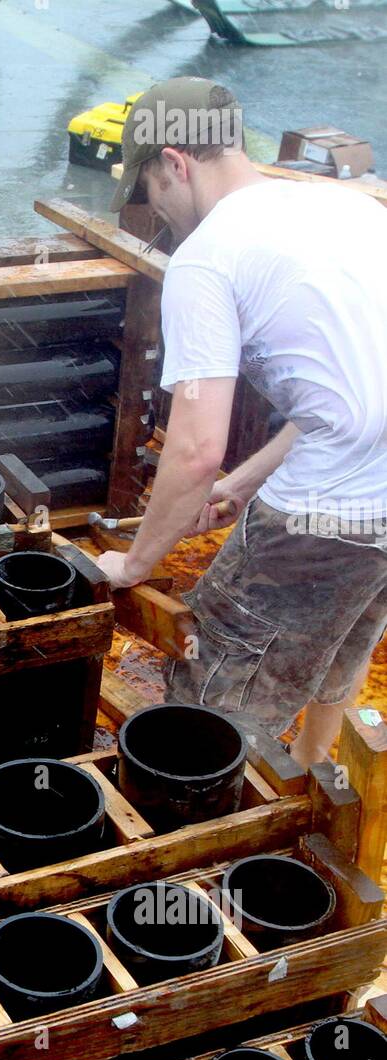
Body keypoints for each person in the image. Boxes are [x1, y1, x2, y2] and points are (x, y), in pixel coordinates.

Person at [100, 77, 387, 768]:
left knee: (210, 692)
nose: (159, 216)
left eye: (149, 194)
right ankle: (319, 788)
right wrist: (247, 480)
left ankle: (194, 855)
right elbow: (351, 395)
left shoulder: (207, 259)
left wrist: (136, 560)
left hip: (326, 516)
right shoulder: (347, 208)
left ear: (174, 161)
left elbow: (196, 448)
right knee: (337, 644)